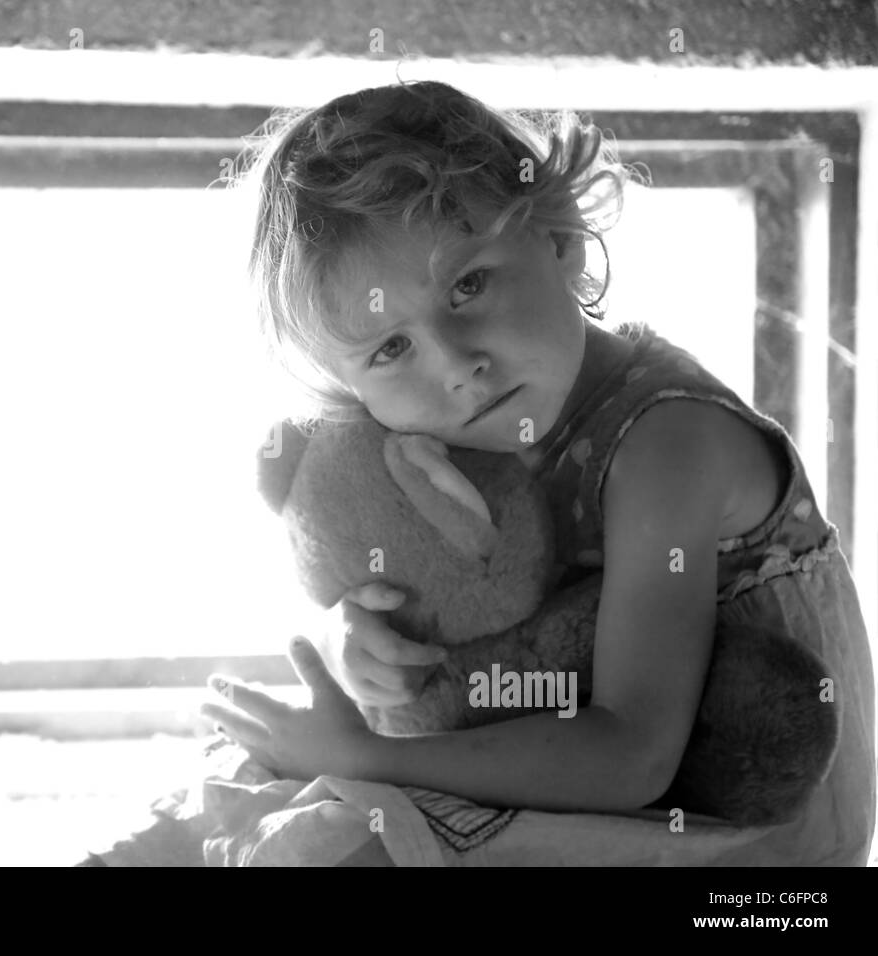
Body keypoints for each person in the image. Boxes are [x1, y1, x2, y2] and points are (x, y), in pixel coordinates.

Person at [86, 79, 875, 865]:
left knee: (341, 837)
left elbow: (634, 754)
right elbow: (428, 607)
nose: (457, 368)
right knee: (239, 793)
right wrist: (351, 643)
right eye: (390, 349)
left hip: (740, 830)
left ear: (558, 239)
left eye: (468, 285)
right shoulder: (451, 429)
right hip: (562, 755)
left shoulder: (666, 444)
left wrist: (364, 758)